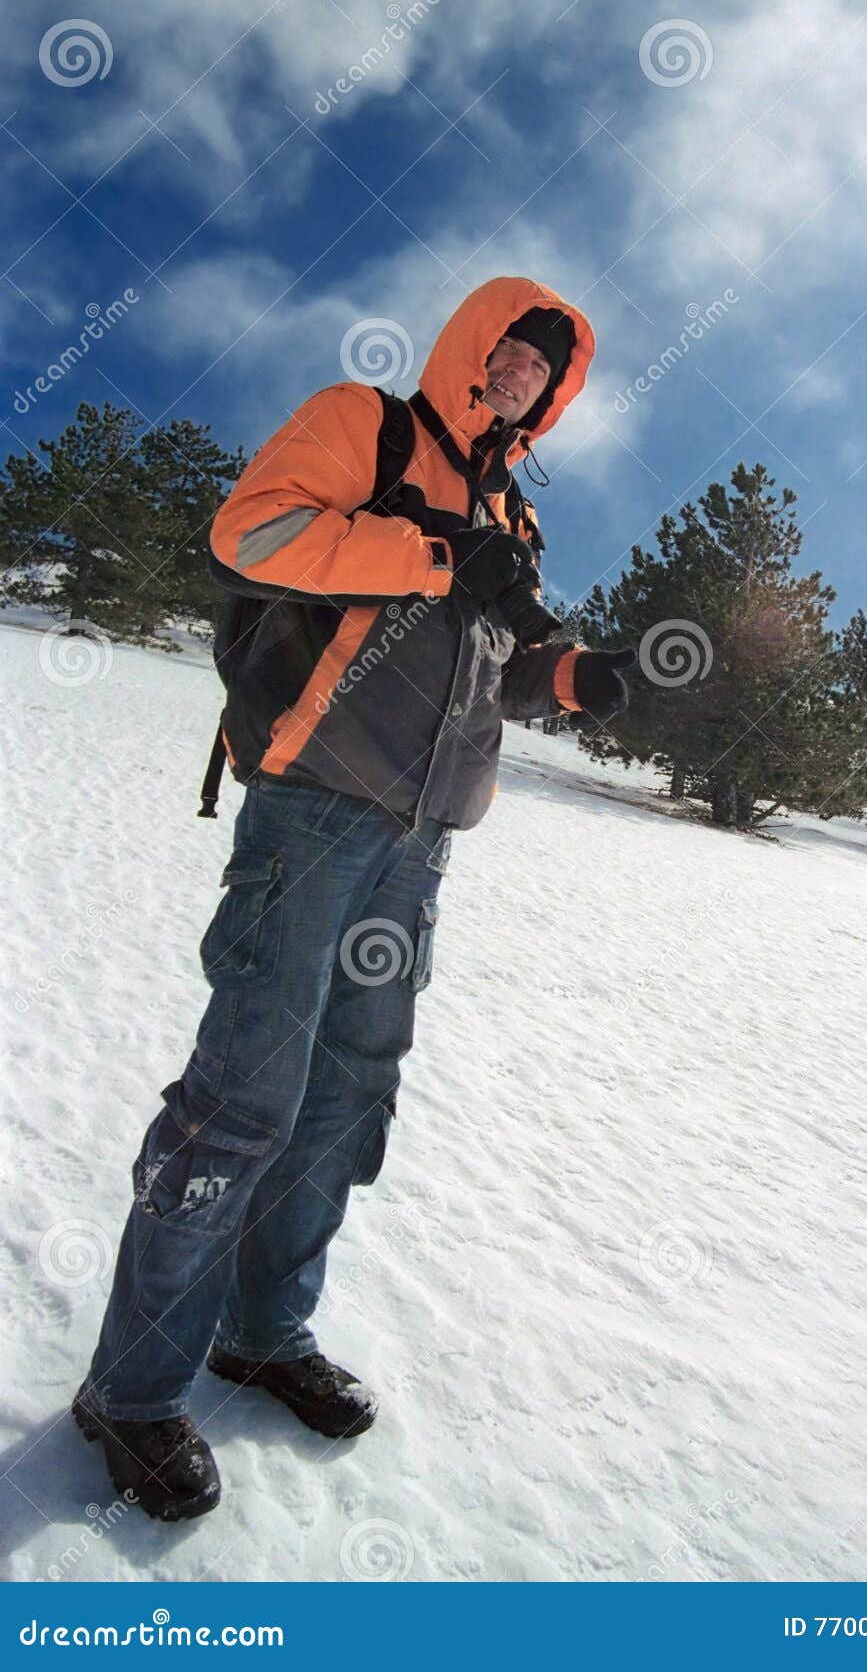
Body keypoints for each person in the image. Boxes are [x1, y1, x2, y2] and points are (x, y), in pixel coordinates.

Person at [73, 276, 636, 1521]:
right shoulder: (367, 428)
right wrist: (436, 551)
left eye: (549, 370)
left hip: (421, 847)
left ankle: (264, 1334)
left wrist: (578, 679)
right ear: (469, 347)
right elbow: (249, 533)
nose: (526, 377)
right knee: (243, 1102)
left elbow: (493, 674)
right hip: (313, 815)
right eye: (513, 352)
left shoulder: (516, 517)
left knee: (346, 1099)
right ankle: (131, 1386)